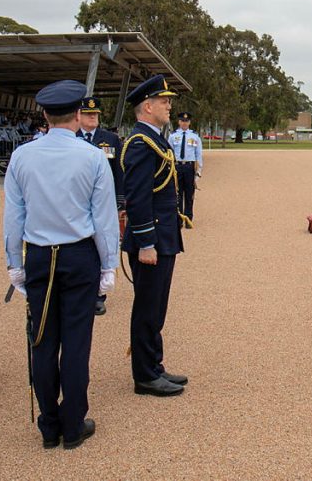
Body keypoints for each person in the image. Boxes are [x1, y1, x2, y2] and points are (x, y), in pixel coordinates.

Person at [3, 80, 120, 450]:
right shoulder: (92, 158)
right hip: (78, 255)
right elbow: (103, 220)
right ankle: (73, 424)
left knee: (41, 340)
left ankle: (48, 425)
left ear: (44, 114)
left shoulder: (23, 155)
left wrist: (13, 262)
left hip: (38, 254)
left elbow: (13, 216)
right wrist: (109, 265)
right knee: (75, 342)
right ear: (78, 114)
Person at [120, 75, 188, 397]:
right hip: (152, 240)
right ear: (147, 106)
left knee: (156, 305)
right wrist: (146, 242)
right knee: (147, 307)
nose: (169, 105)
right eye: (164, 101)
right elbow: (137, 197)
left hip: (163, 236)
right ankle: (145, 376)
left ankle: (154, 365)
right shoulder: (140, 143)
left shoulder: (155, 139)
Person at [76, 96, 125, 315]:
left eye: (95, 114)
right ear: (79, 116)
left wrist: (121, 197)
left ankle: (98, 295)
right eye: (88, 114)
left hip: (105, 203)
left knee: (102, 245)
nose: (93, 117)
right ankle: (80, 290)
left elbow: (119, 171)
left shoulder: (111, 139)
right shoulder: (73, 138)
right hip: (77, 202)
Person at [167, 112, 203, 226]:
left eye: (186, 121)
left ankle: (188, 218)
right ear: (179, 122)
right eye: (182, 121)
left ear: (189, 123)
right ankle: (179, 218)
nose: (184, 123)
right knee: (177, 193)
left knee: (189, 193)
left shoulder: (194, 136)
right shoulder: (173, 136)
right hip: (177, 166)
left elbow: (198, 155)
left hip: (189, 166)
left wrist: (198, 171)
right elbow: (169, 153)